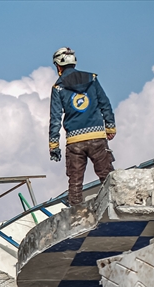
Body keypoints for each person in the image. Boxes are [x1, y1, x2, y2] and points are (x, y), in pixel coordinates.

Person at [48, 47, 115, 206]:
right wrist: (110, 127)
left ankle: (76, 216)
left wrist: (54, 145)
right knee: (107, 176)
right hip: (97, 137)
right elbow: (105, 104)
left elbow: (55, 118)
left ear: (58, 66)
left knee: (75, 182)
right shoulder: (92, 79)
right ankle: (116, 204)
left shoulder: (58, 88)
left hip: (75, 142)